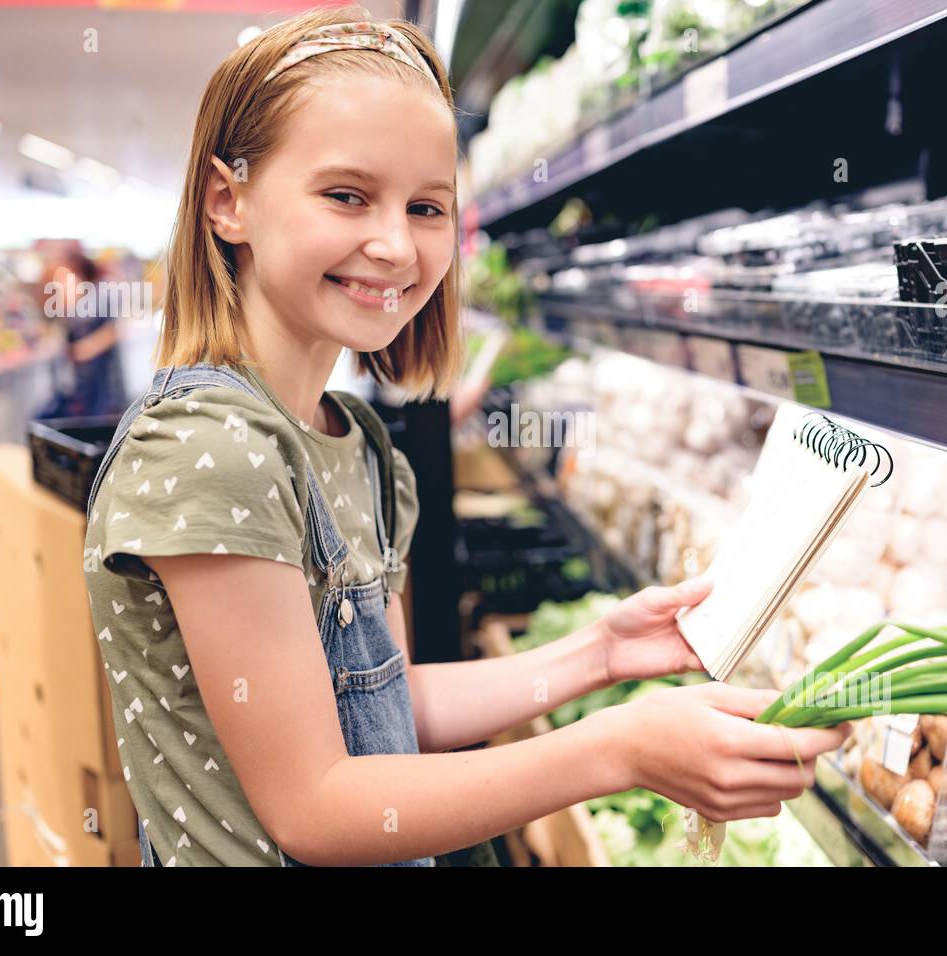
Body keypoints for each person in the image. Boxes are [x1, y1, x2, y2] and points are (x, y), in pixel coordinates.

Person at [82, 5, 848, 868]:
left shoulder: (358, 442)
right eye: (346, 195)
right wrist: (617, 750)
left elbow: (384, 705)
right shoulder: (210, 452)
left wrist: (600, 654)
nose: (394, 244)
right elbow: (316, 806)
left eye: (426, 207)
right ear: (230, 201)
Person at [42, 245, 128, 418]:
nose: (60, 283)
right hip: (82, 386)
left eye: (64, 276)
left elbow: (114, 330)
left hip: (103, 384)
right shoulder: (76, 301)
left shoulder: (102, 293)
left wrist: (84, 350)